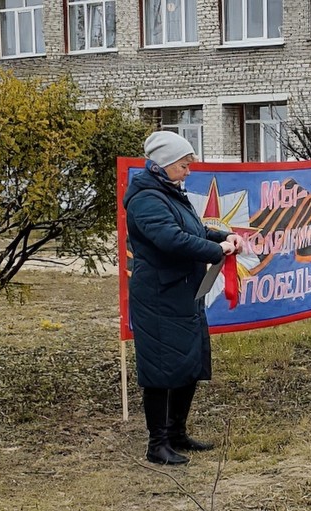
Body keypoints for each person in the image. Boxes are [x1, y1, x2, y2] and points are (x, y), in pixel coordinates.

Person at [122, 131, 243, 464]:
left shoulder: (170, 192)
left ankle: (177, 433)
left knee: (187, 363)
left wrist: (224, 235)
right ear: (165, 163)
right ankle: (156, 444)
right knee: (161, 369)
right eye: (184, 165)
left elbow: (195, 228)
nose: (189, 170)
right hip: (159, 295)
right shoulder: (147, 198)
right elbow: (171, 239)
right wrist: (216, 249)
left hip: (184, 291)